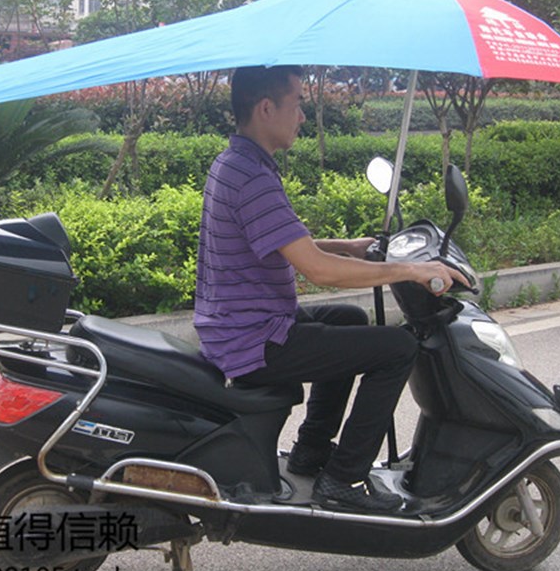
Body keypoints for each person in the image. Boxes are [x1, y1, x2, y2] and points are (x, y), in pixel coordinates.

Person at [194, 65, 469, 513]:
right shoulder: (253, 178)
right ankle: (343, 480)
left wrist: (348, 246)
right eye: (298, 103)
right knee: (398, 349)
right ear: (266, 108)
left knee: (349, 318)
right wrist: (409, 271)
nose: (303, 116)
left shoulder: (237, 163)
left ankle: (311, 450)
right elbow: (320, 272)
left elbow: (280, 243)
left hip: (245, 325)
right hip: (253, 340)